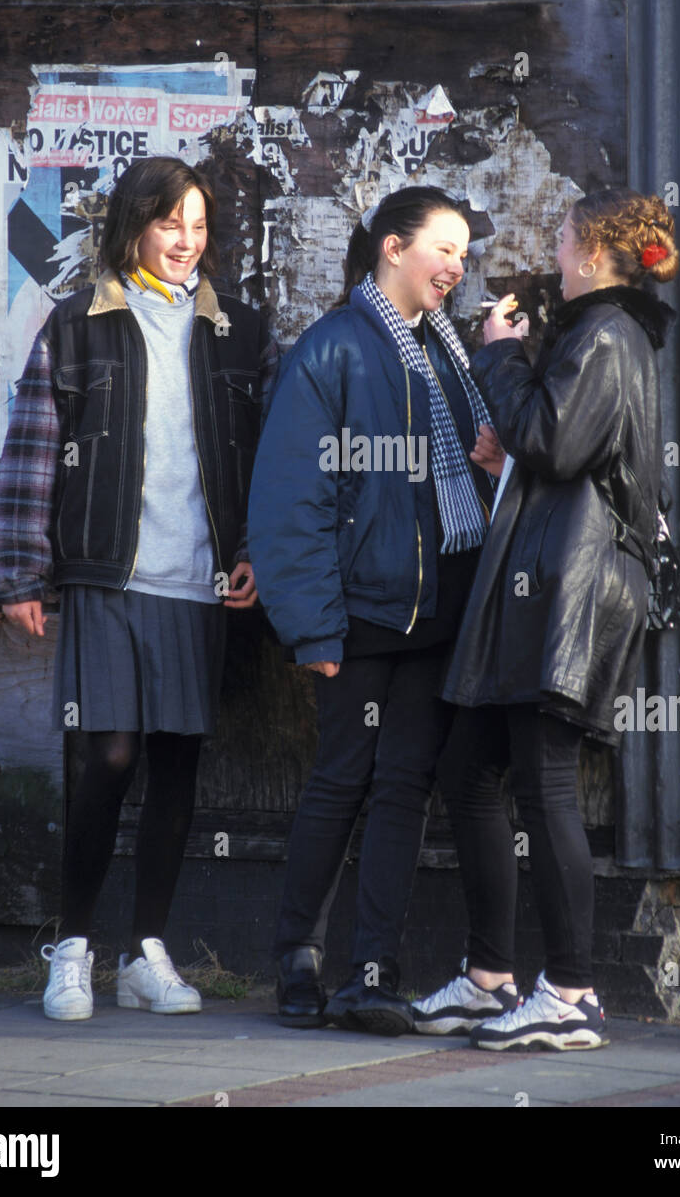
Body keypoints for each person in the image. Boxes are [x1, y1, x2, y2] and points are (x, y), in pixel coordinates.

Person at [0, 156, 276, 1021]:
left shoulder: (240, 333)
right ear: (133, 228)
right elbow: (32, 448)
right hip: (109, 574)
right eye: (167, 224)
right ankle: (71, 946)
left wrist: (257, 545)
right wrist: (16, 569)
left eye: (197, 227)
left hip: (199, 579)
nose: (185, 242)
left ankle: (147, 952)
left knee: (176, 765)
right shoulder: (79, 326)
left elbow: (266, 459)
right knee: (107, 757)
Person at [411, 187, 678, 1050]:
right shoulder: (597, 334)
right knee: (468, 770)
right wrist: (510, 455)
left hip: (570, 592)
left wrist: (498, 357)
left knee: (544, 784)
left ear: (596, 254)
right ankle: (490, 978)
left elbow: (557, 441)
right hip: (540, 586)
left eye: (564, 240)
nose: (555, 254)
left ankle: (569, 992)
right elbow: (553, 451)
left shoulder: (606, 335)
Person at [247, 186, 504, 1035]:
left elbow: (478, 472)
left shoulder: (453, 354)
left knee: (404, 789)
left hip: (440, 613)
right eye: (445, 248)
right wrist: (311, 624)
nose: (458, 267)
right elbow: (292, 501)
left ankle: (369, 975)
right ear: (392, 248)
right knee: (340, 780)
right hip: (357, 614)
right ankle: (296, 960)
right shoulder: (330, 351)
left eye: (465, 253)